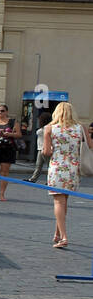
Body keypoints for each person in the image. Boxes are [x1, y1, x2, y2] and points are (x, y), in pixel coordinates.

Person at [43, 102, 93, 249]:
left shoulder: (50, 128)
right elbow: (90, 145)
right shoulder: (80, 128)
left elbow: (46, 152)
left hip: (57, 168)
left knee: (58, 201)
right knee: (64, 200)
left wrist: (55, 149)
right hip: (73, 168)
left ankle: (64, 236)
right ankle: (57, 233)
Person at [28, 108, 53, 183]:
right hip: (40, 148)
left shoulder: (48, 128)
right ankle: (33, 179)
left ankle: (50, 181)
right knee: (38, 165)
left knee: (49, 166)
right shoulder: (44, 127)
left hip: (45, 148)